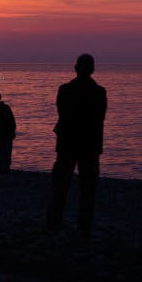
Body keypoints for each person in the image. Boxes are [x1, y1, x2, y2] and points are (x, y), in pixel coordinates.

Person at [46, 53, 107, 237]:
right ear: (92, 69)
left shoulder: (65, 90)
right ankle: (84, 227)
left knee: (61, 186)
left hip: (67, 143)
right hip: (90, 145)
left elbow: (62, 114)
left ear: (76, 68)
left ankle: (54, 224)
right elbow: (99, 118)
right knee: (88, 189)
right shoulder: (99, 92)